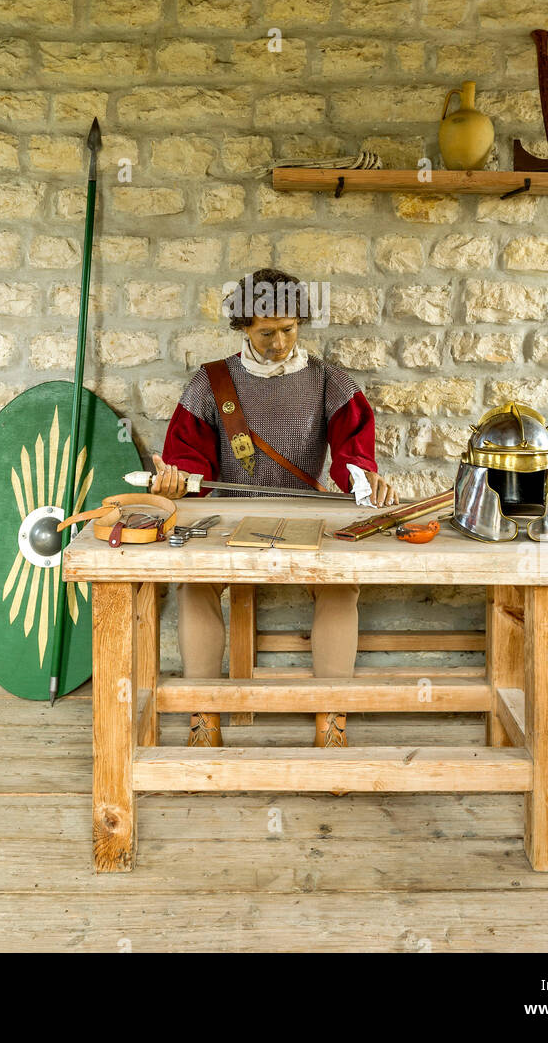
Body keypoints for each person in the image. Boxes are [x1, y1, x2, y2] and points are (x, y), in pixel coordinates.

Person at [148, 267, 399, 748]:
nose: (279, 343)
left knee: (342, 589)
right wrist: (176, 481)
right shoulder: (209, 384)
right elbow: (188, 466)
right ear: (244, 327)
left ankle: (331, 718)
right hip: (227, 516)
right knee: (193, 585)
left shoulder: (329, 382)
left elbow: (353, 460)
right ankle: (205, 715)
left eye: (289, 331)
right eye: (267, 333)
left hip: (307, 515)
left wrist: (367, 481)